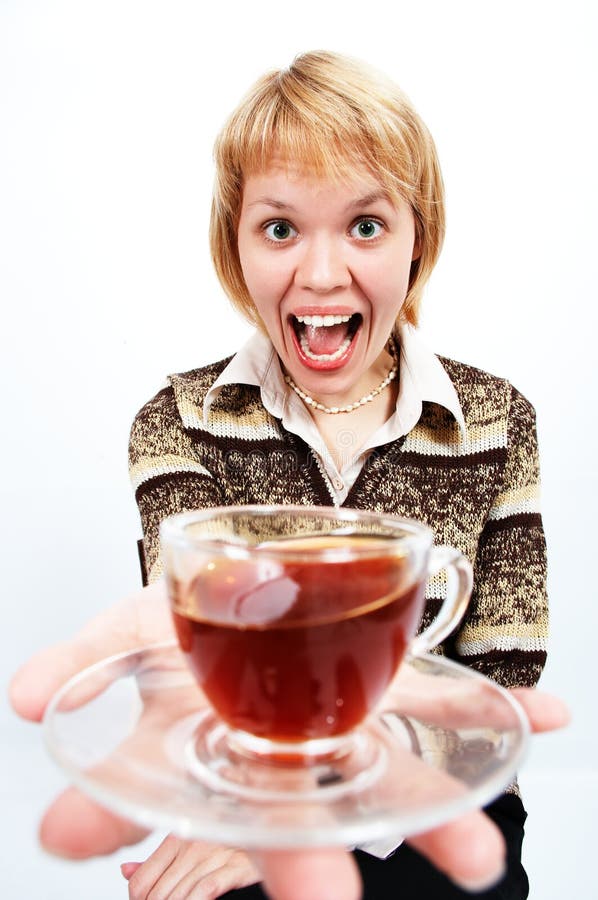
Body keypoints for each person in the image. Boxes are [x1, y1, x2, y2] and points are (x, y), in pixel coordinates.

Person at [9, 51, 568, 899]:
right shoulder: (179, 423)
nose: (320, 273)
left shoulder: (494, 422)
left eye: (366, 225)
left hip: (436, 806)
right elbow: (207, 671)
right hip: (248, 800)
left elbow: (501, 690)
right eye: (280, 228)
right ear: (234, 243)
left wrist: (339, 807)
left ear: (421, 235)